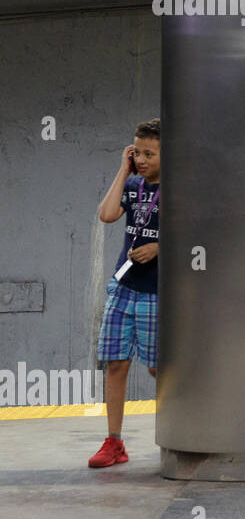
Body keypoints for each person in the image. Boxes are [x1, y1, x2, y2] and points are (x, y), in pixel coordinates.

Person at [88, 118, 161, 468]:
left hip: (156, 292)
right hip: (124, 287)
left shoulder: (179, 190)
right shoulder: (133, 185)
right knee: (115, 362)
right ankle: (114, 441)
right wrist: (123, 169)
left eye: (150, 153)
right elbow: (106, 214)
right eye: (138, 152)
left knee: (158, 369)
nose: (143, 159)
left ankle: (178, 430)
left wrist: (159, 246)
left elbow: (197, 235)